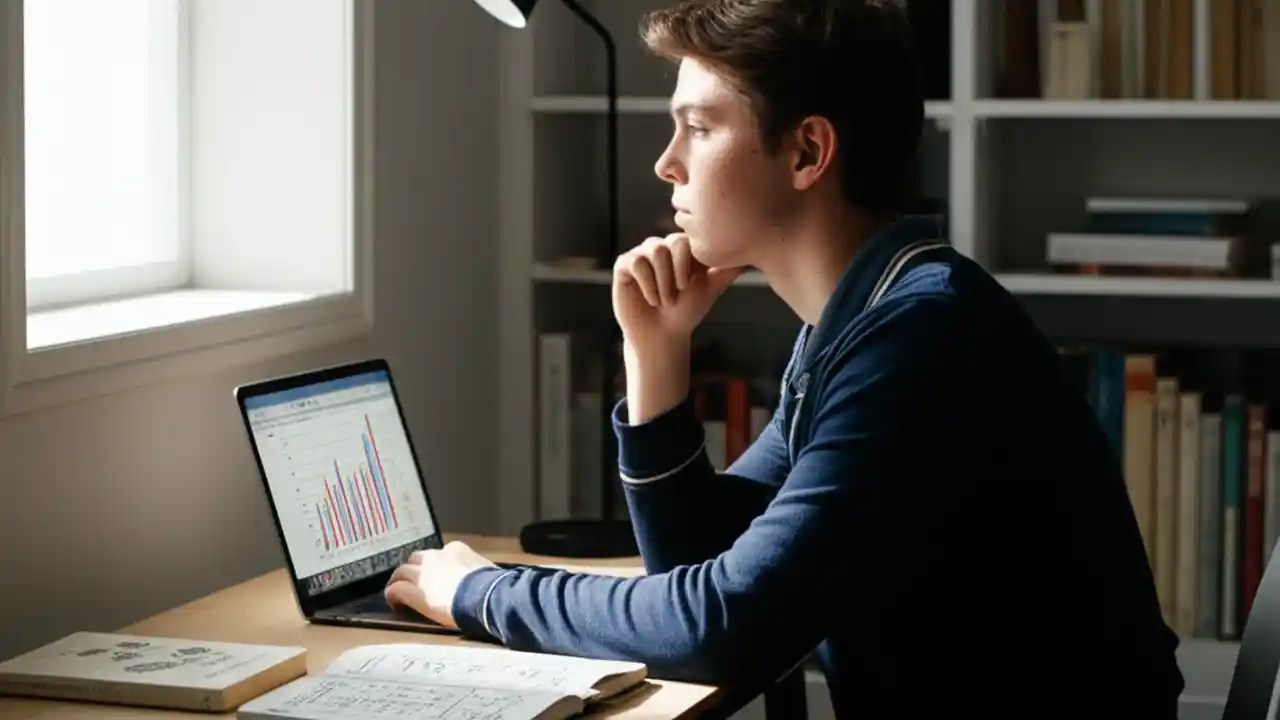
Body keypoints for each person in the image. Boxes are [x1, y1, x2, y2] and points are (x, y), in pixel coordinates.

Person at [385, 0, 1185, 716]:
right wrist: (656, 360)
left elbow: (722, 625)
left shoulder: (921, 339)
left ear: (806, 152)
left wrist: (481, 591)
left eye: (698, 127)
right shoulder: (859, 318)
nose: (667, 162)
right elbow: (705, 568)